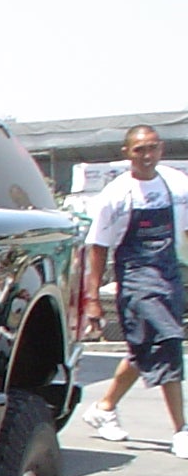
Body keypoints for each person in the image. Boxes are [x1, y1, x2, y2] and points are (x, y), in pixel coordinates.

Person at [79, 125, 188, 457]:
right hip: (137, 280)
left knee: (144, 349)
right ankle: (181, 429)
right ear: (127, 153)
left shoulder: (176, 185)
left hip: (169, 276)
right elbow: (97, 247)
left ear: (161, 149)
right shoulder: (115, 194)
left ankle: (104, 406)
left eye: (152, 148)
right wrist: (93, 299)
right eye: (140, 149)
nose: (147, 155)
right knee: (168, 343)